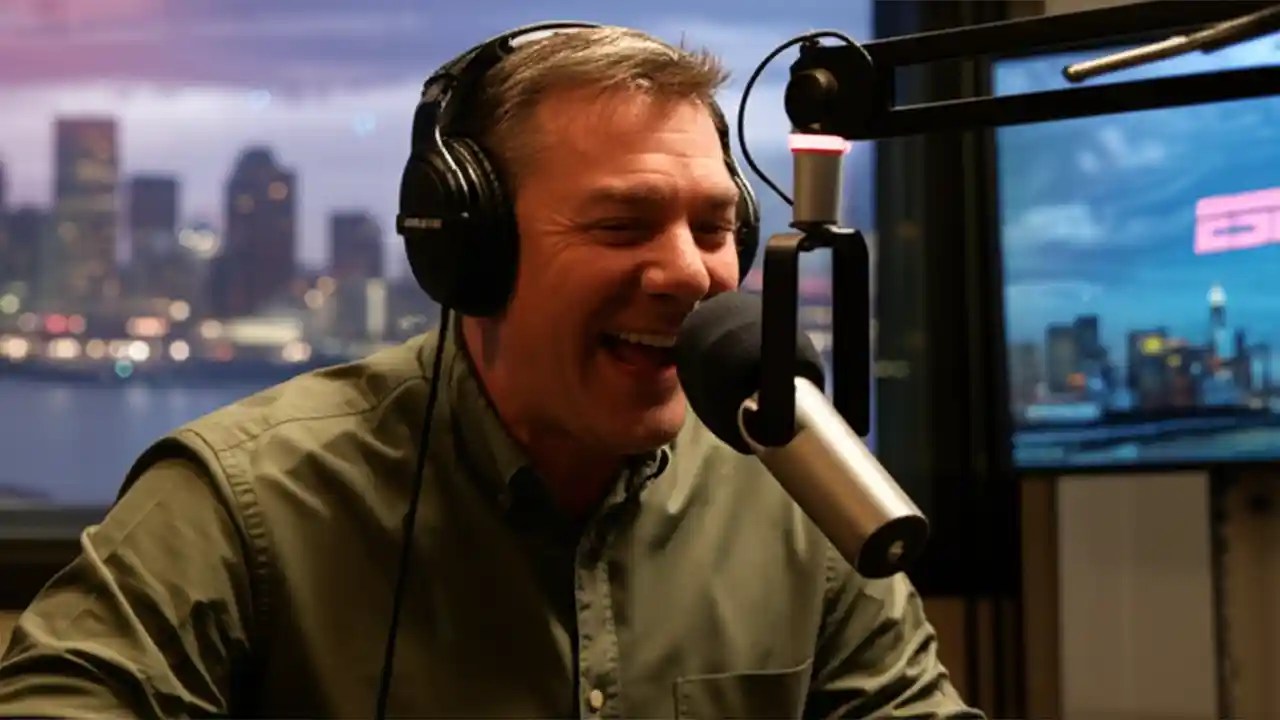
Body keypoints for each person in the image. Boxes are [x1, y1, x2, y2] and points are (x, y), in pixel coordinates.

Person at [0, 24, 983, 719]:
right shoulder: (245, 499)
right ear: (469, 251)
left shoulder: (791, 480)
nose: (691, 273)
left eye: (715, 226)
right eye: (620, 223)